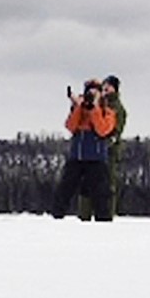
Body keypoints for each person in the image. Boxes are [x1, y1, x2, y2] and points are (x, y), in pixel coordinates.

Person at [51, 79, 118, 221]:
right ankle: (57, 217)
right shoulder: (80, 109)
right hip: (77, 156)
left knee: (101, 193)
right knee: (65, 188)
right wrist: (78, 107)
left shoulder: (107, 111)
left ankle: (103, 222)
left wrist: (95, 109)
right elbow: (70, 126)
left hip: (96, 159)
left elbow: (102, 130)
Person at [81, 75, 128, 220]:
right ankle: (85, 215)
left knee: (108, 185)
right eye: (104, 86)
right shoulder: (100, 103)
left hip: (109, 152)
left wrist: (105, 143)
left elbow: (116, 131)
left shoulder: (117, 108)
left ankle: (106, 216)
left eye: (109, 86)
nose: (106, 89)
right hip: (94, 150)